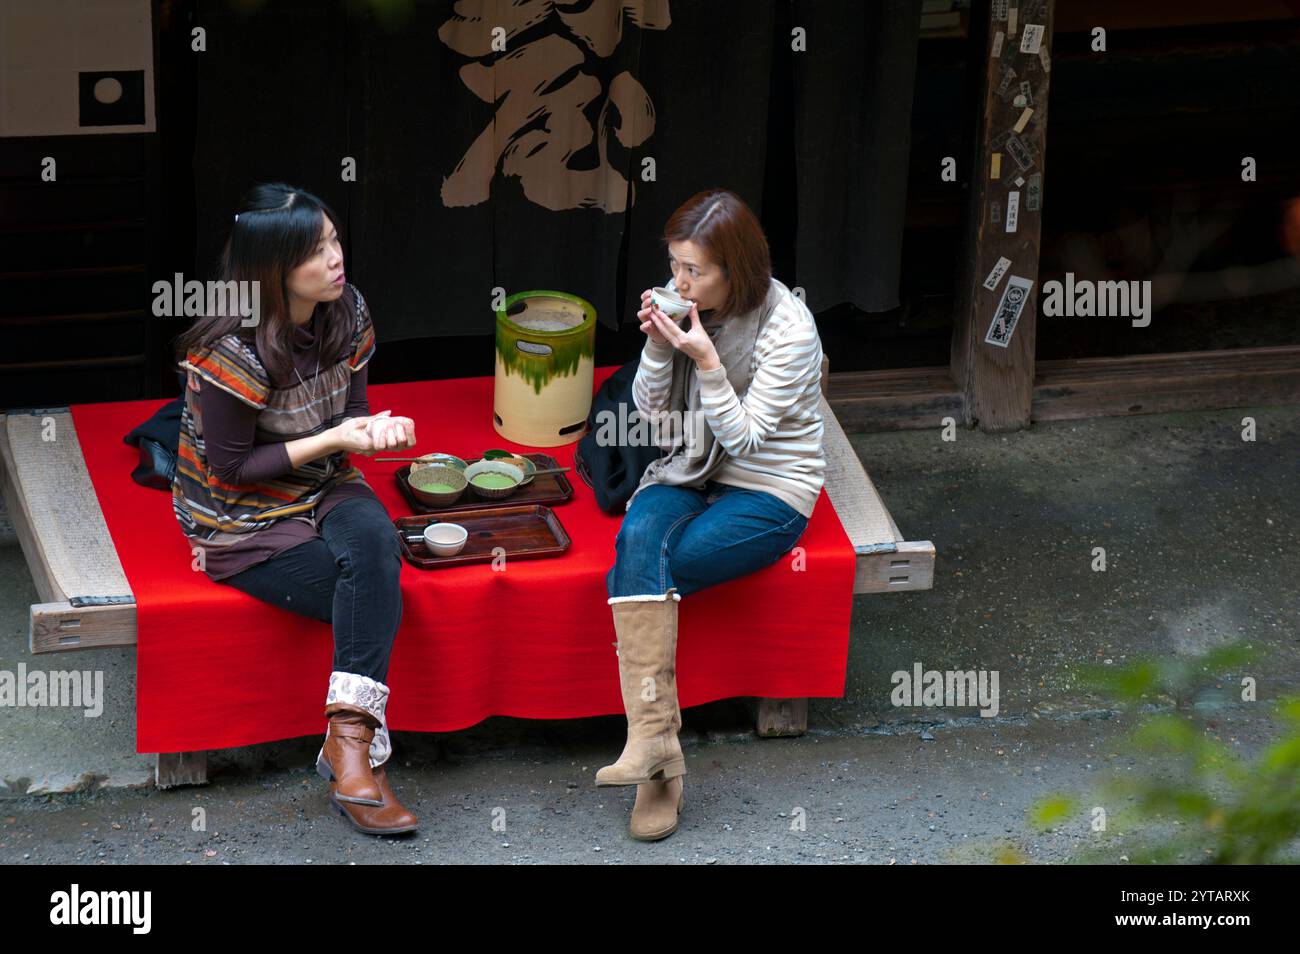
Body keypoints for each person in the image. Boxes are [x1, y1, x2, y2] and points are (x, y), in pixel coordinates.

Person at [170, 183, 420, 836]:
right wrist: (338, 438)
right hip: (238, 517)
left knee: (376, 553)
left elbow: (355, 412)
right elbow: (232, 469)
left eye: (334, 240)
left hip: (326, 480)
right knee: (365, 591)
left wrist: (369, 431)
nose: (336, 258)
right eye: (316, 251)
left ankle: (348, 748)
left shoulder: (348, 309)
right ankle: (361, 762)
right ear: (274, 271)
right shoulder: (232, 352)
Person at [600, 188, 827, 841]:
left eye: (694, 271)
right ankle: (657, 756)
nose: (680, 282)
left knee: (642, 568)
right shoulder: (685, 302)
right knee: (640, 536)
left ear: (737, 269)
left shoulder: (790, 328)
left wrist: (702, 358)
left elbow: (750, 439)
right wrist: (657, 347)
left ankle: (656, 766)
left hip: (769, 487)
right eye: (675, 267)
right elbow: (649, 412)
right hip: (690, 466)